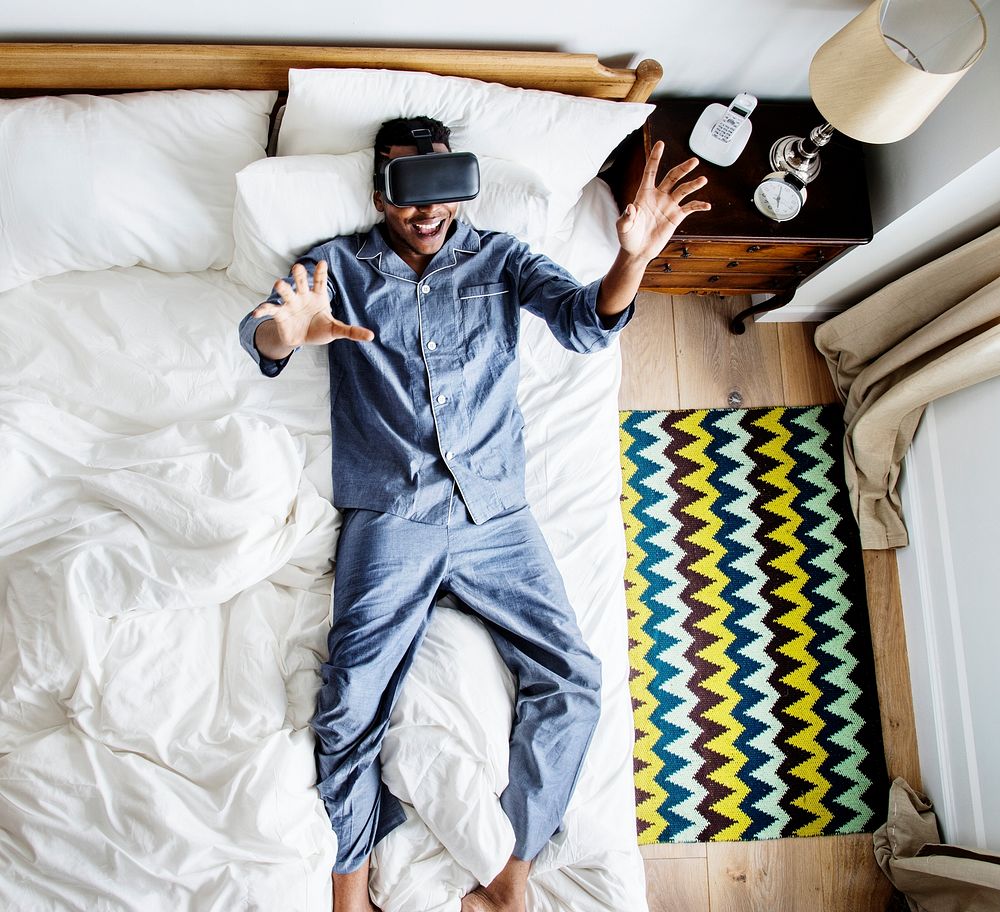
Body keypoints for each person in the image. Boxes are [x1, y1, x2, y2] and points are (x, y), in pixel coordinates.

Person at [238, 116, 710, 912]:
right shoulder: (339, 268)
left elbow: (587, 323)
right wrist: (281, 336)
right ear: (381, 190)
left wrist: (630, 258)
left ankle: (509, 871)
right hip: (393, 514)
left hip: (497, 513)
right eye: (406, 187)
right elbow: (267, 329)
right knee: (353, 696)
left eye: (442, 183)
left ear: (464, 181)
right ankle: (348, 887)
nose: (427, 209)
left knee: (575, 679)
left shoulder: (501, 259)